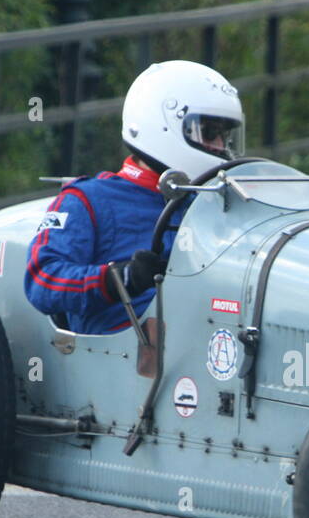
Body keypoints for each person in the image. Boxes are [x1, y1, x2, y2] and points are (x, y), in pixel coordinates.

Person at [24, 60, 245, 334]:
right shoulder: (87, 200)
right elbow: (42, 281)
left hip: (212, 341)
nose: (221, 147)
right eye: (210, 133)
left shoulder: (216, 199)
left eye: (224, 137)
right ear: (160, 126)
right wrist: (117, 279)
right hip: (131, 360)